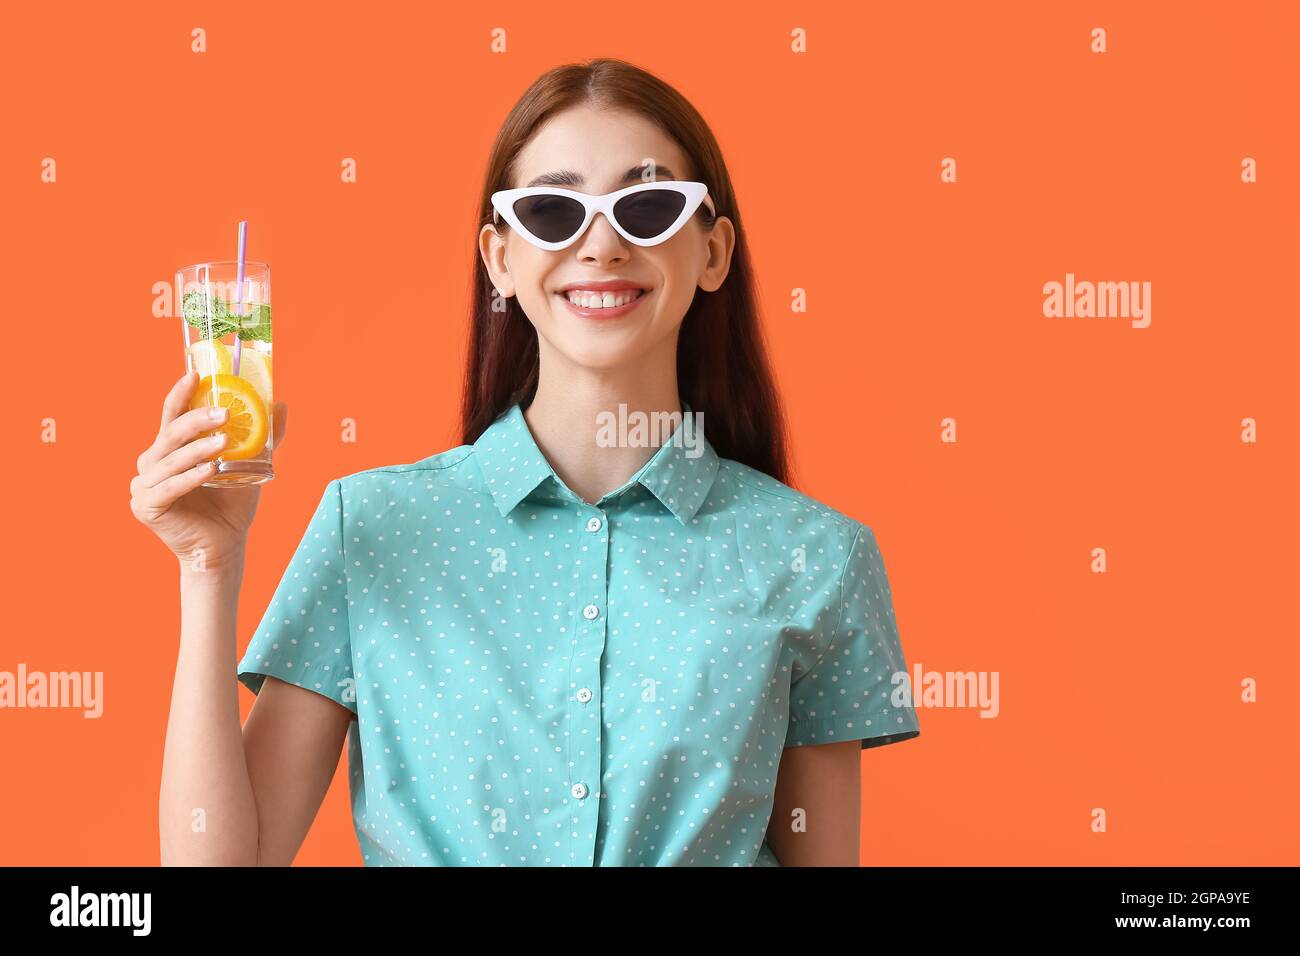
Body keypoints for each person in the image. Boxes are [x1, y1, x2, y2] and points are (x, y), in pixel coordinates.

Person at [131, 57, 920, 867]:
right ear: (499, 258)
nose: (602, 245)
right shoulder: (369, 530)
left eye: (646, 207)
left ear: (713, 253)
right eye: (553, 210)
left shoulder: (818, 556)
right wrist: (208, 564)